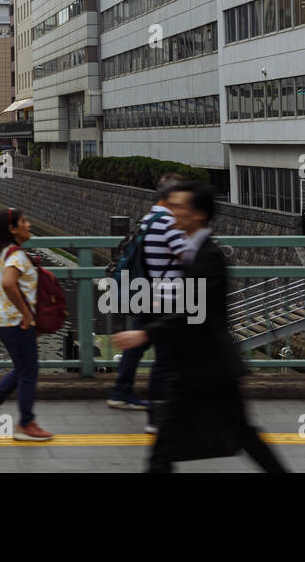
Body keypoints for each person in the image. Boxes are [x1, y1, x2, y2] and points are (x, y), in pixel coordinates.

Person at [111, 181, 288, 473]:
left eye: (180, 207)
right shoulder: (196, 251)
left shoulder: (209, 256)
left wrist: (145, 333)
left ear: (199, 214)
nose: (173, 212)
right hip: (196, 365)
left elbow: (194, 310)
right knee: (170, 447)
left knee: (237, 434)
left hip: (211, 367)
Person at [108, 173, 188, 431]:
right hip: (166, 298)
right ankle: (159, 415)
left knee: (136, 346)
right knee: (165, 357)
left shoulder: (149, 218)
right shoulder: (168, 222)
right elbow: (188, 256)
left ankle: (121, 391)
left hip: (147, 293)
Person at [0, 208, 54, 442]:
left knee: (23, 369)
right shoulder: (16, 255)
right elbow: (8, 284)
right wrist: (26, 314)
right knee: (29, 371)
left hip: (3, 321)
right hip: (15, 322)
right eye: (24, 222)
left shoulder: (3, 253)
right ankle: (26, 424)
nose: (29, 225)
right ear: (12, 229)